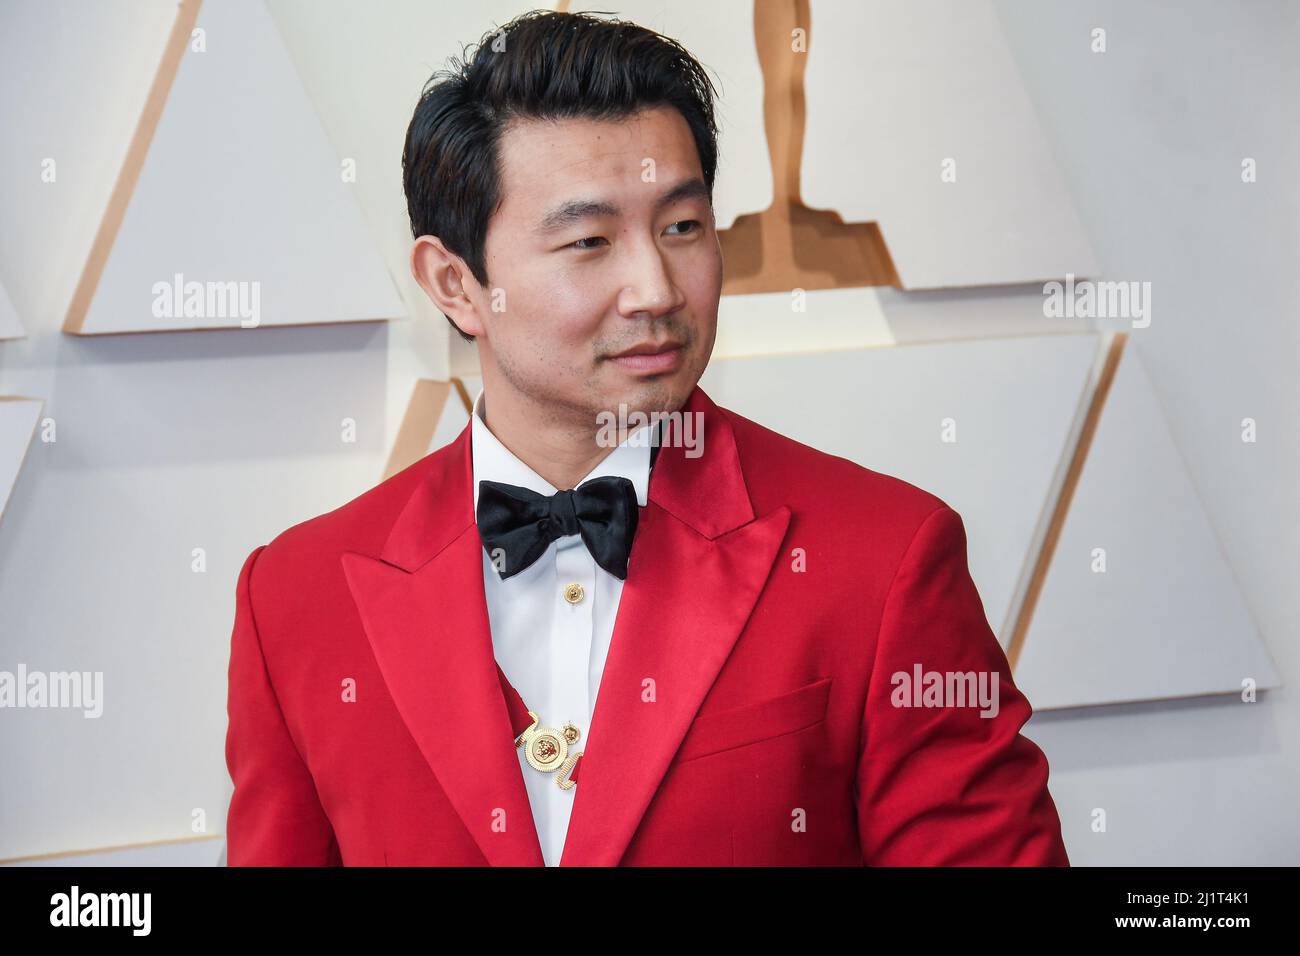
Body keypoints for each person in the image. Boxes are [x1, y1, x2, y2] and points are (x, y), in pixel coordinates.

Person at [224, 9, 1069, 866]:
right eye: (589, 241)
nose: (656, 290)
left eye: (682, 228)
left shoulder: (882, 561)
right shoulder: (293, 599)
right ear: (455, 284)